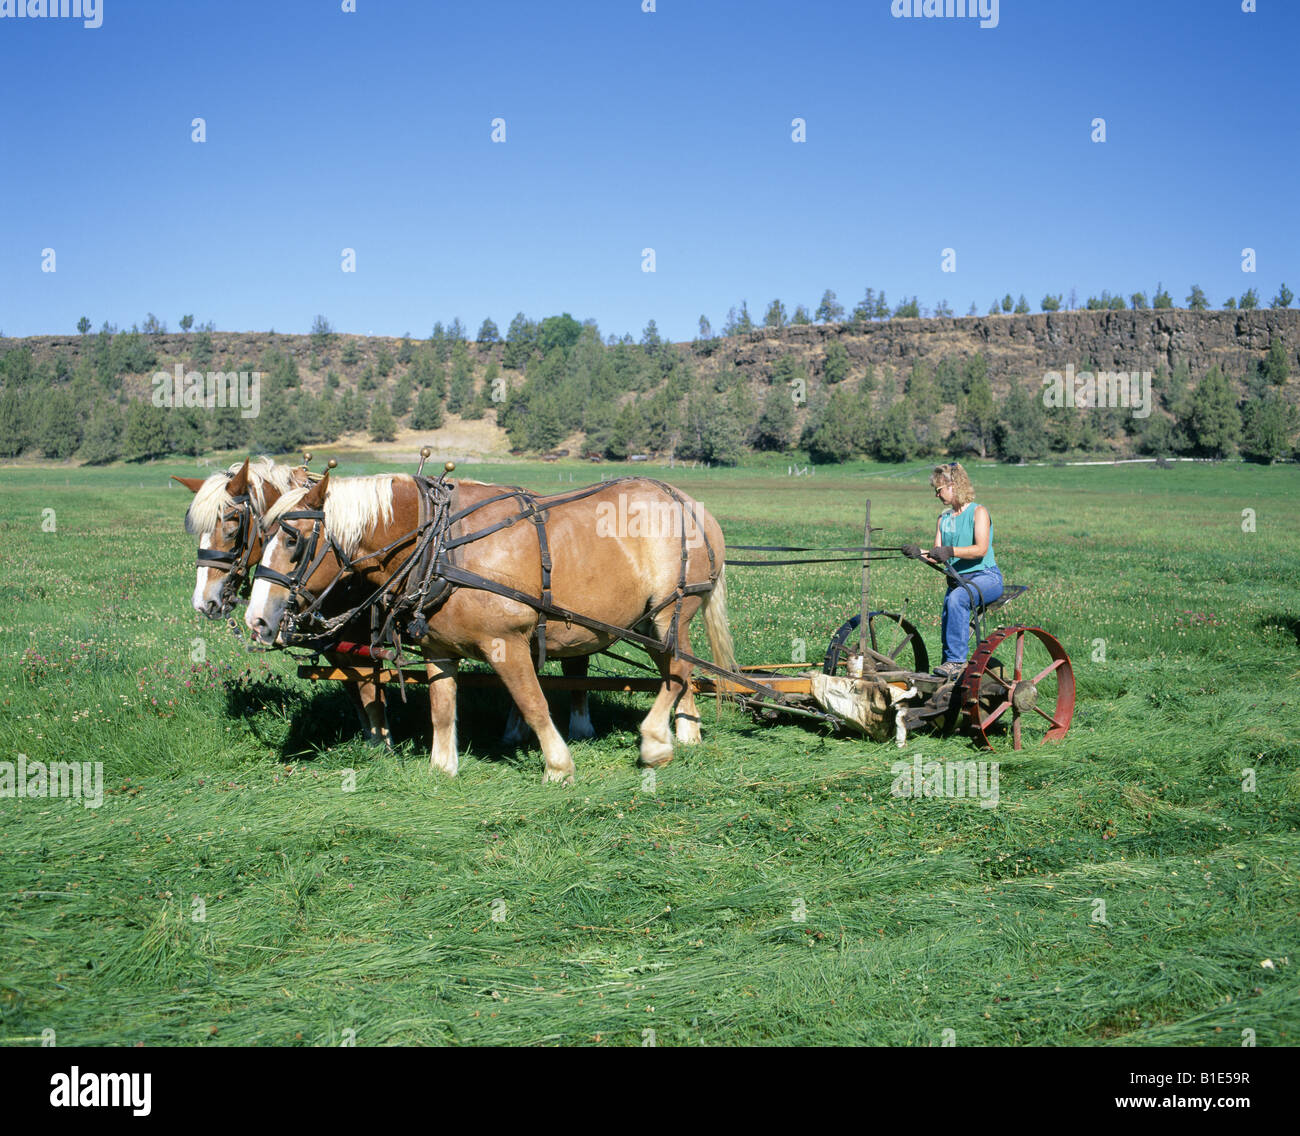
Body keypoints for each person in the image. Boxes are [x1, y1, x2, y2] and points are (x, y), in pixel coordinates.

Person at [901, 462, 1003, 680]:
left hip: (986, 577)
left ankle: (956, 662)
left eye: (939, 490)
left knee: (956, 599)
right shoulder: (943, 518)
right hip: (959, 580)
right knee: (950, 607)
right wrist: (918, 553)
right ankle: (949, 668)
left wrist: (950, 551)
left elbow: (980, 549)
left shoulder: (979, 512)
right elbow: (937, 555)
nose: (936, 496)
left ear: (954, 485)